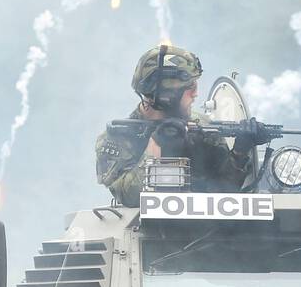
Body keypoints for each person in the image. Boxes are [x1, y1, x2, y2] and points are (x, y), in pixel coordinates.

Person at [95, 44, 257, 206]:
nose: (196, 94)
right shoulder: (117, 137)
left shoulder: (202, 126)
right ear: (167, 96)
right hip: (141, 229)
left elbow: (225, 191)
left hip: (203, 228)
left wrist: (240, 152)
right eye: (189, 87)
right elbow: (128, 197)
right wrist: (155, 148)